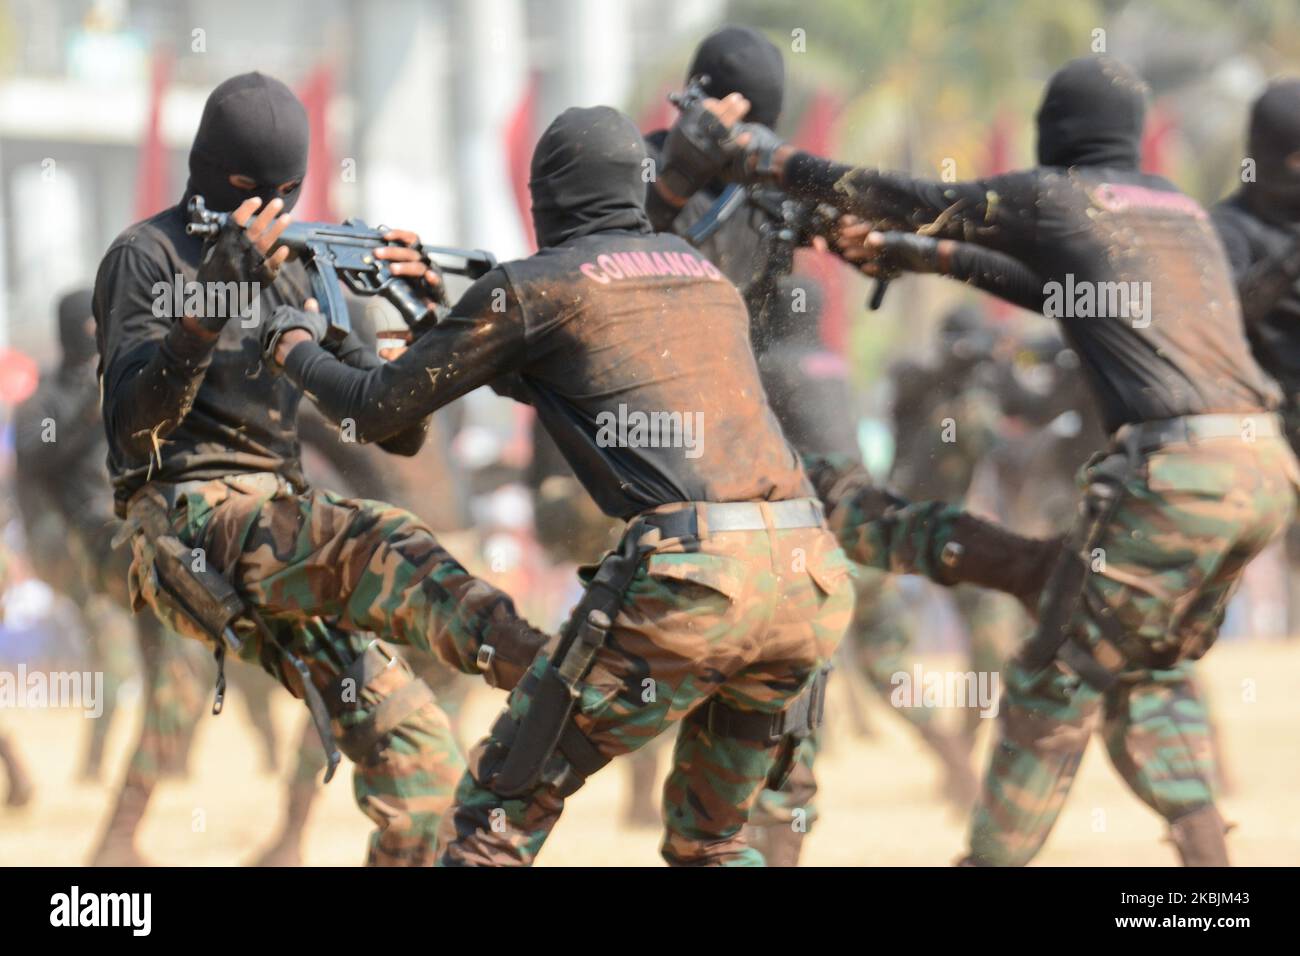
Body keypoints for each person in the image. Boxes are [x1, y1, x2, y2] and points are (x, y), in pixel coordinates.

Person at [704, 54, 1297, 865]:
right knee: (1136, 670)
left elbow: (908, 197)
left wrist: (770, 161)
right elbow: (1060, 290)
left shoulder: (1057, 194)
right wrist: (912, 255)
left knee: (1050, 679)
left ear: (1056, 133)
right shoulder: (1180, 212)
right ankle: (1209, 873)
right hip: (1262, 471)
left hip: (1178, 473)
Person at [260, 104, 856, 866]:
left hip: (699, 579)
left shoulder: (535, 286)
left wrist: (296, 346)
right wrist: (444, 316)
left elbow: (376, 410)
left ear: (545, 200)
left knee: (494, 816)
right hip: (809, 576)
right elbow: (567, 374)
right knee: (712, 839)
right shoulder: (703, 277)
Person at [93, 71, 546, 866]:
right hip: (186, 521)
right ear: (209, 170)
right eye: (246, 189)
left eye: (284, 192)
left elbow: (392, 432)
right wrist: (208, 304)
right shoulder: (147, 256)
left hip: (284, 540)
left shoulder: (305, 266)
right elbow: (136, 431)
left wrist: (434, 328)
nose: (268, 207)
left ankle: (533, 673)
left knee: (425, 786)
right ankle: (545, 671)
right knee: (381, 537)